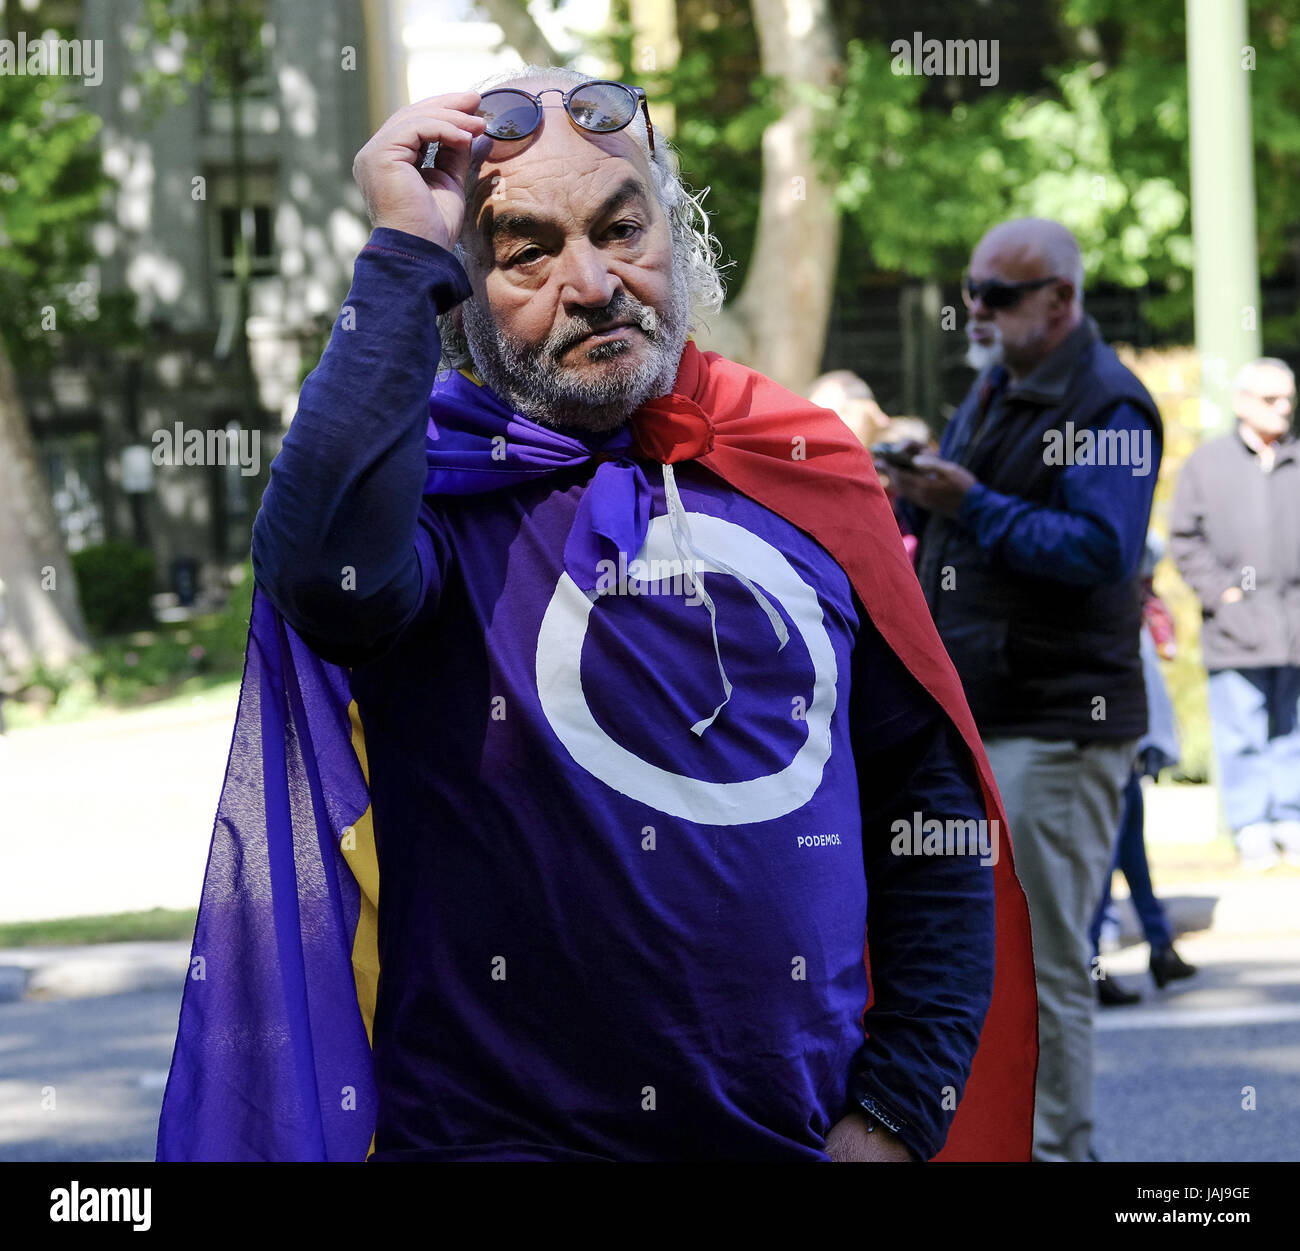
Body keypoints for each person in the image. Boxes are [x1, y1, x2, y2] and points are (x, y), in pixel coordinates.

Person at [157, 69, 1036, 1163]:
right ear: (459, 290)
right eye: (525, 251)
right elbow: (317, 573)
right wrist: (398, 257)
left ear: (678, 230)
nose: (592, 282)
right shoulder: (428, 496)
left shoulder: (799, 460)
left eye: (622, 228)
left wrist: (900, 1114)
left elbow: (930, 810)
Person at [883, 217, 1162, 1162]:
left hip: (1058, 721)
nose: (977, 308)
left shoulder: (1109, 403)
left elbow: (1100, 551)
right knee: (988, 958)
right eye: (973, 288)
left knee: (1046, 966)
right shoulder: (1004, 380)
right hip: (997, 712)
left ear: (1062, 300)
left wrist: (968, 503)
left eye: (998, 295)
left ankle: (1060, 1155)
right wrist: (921, 486)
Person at [1169, 357, 1300, 870]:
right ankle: (1251, 826)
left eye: (1288, 397)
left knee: (1290, 729)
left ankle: (1289, 817)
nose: (1284, 408)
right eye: (1271, 399)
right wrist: (1222, 595)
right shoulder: (1209, 464)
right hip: (1236, 629)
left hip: (1292, 626)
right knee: (1241, 730)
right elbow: (1185, 539)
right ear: (1244, 403)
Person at [1091, 538, 1197, 1006]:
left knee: (1132, 853)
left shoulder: (1131, 612)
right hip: (1116, 745)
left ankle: (1160, 946)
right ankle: (1090, 961)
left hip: (1130, 747)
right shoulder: (1110, 615)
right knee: (1106, 858)